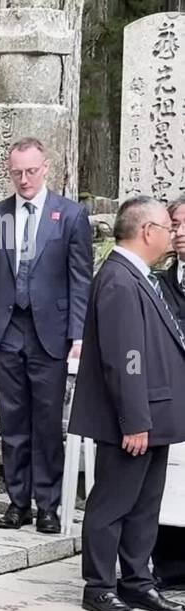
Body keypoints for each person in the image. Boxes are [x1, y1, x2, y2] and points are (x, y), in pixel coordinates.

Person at [0, 137, 92, 535]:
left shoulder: (69, 215)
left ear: (46, 166)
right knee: (13, 421)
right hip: (7, 330)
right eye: (17, 172)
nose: (24, 179)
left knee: (48, 423)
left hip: (50, 333)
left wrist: (78, 335)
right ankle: (18, 502)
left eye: (31, 171)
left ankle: (47, 505)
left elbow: (79, 281)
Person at [68, 196, 185, 611]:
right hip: (132, 420)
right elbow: (125, 357)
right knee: (112, 504)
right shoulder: (119, 279)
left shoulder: (140, 277)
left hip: (154, 414)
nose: (173, 236)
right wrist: (134, 420)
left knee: (144, 505)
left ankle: (137, 580)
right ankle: (99, 585)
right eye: (167, 228)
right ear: (147, 232)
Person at [153, 197, 185, 589]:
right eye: (175, 225)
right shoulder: (159, 282)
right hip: (171, 394)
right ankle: (170, 563)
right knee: (170, 481)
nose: (180, 233)